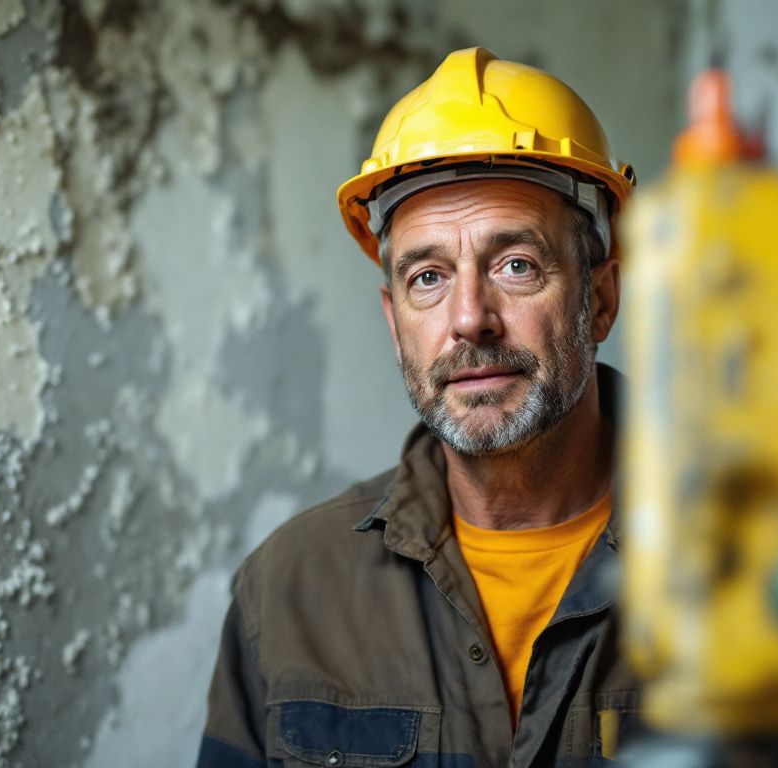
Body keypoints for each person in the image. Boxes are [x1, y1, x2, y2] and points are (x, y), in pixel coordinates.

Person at [198, 46, 637, 766]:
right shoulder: (287, 592)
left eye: (516, 265)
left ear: (602, 300)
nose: (469, 319)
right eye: (428, 277)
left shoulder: (750, 569)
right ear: (395, 320)